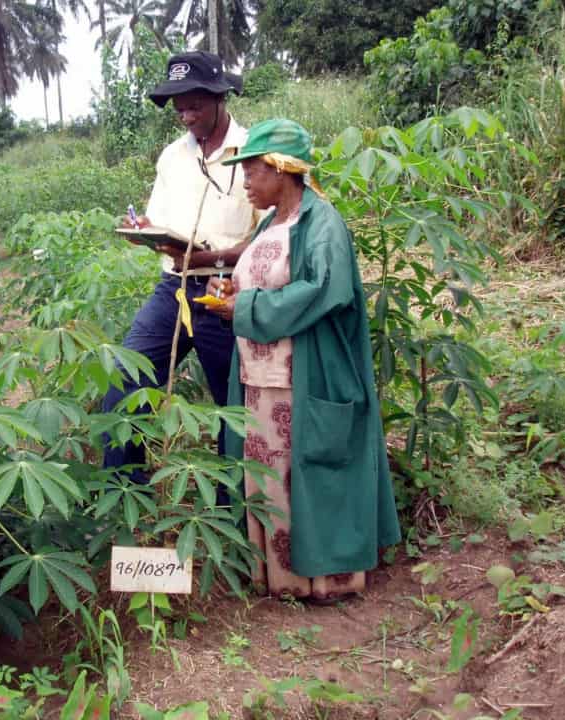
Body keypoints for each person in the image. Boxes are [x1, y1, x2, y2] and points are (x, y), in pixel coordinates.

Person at [205, 118, 401, 601]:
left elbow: (323, 290)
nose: (245, 182)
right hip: (259, 380)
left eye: (252, 170)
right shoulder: (271, 222)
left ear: (281, 168)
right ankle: (278, 578)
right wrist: (228, 290)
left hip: (302, 378)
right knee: (269, 478)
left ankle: (321, 580)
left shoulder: (322, 224)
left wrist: (245, 308)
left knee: (306, 474)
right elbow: (263, 280)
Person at [102, 51, 260, 480]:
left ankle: (235, 507)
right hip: (173, 287)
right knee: (125, 381)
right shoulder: (172, 156)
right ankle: (125, 493)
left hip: (227, 292)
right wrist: (145, 229)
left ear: (220, 98)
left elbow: (269, 237)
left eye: (195, 106)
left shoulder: (252, 150)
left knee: (234, 405)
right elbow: (160, 219)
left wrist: (215, 258)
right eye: (179, 109)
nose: (187, 117)